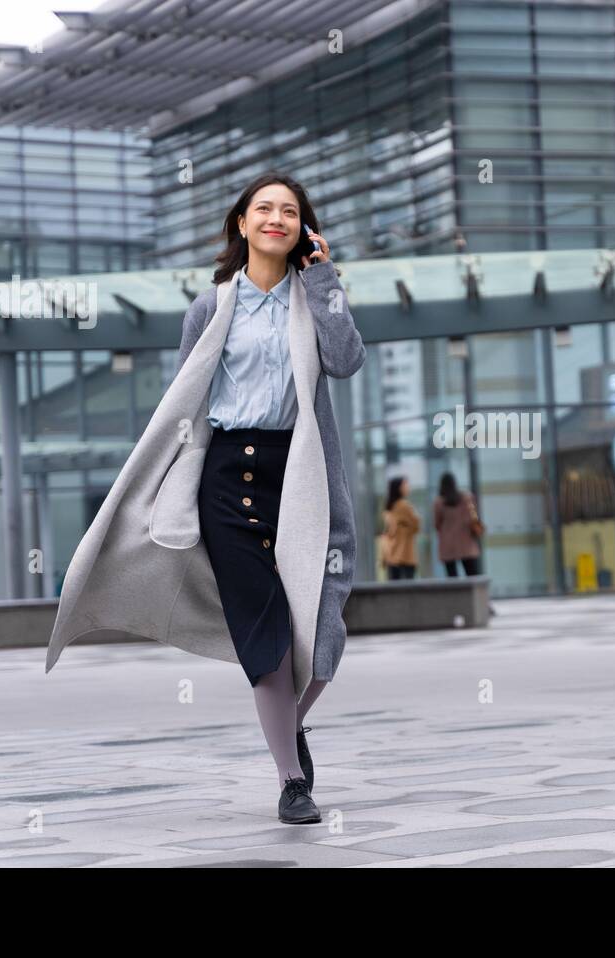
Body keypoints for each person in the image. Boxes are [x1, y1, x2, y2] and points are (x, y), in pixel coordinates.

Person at [45, 170, 366, 827]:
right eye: (263, 209)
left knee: (324, 637)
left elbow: (347, 359)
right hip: (226, 479)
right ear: (241, 225)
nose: (276, 218)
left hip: (296, 477)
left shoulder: (314, 298)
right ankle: (292, 781)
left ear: (302, 228)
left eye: (289, 211)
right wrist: (167, 482)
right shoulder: (210, 307)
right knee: (265, 635)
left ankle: (286, 727)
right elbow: (184, 401)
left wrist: (325, 277)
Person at [433, 471, 481, 577]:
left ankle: (456, 594)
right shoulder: (467, 498)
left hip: (448, 544)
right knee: (473, 576)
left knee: (452, 579)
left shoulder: (439, 502)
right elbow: (473, 516)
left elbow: (437, 524)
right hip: (466, 541)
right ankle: (473, 594)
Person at [381, 476, 420, 580]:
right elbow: (416, 525)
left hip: (392, 554)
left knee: (394, 590)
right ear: (398, 488)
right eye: (405, 484)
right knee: (407, 591)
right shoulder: (404, 506)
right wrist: (406, 528)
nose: (408, 487)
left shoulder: (389, 507)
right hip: (405, 555)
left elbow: (388, 531)